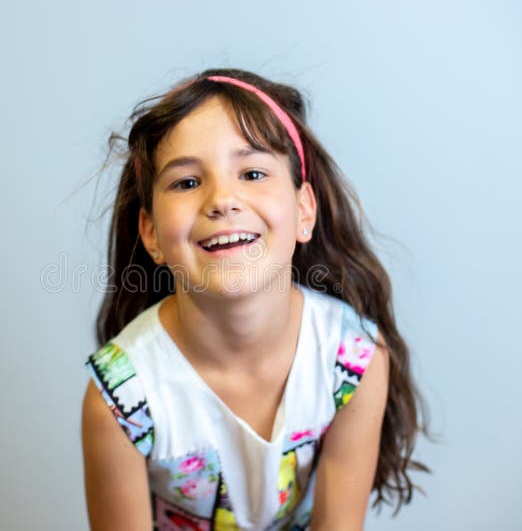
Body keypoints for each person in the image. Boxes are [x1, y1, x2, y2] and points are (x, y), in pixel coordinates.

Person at [81, 69, 429, 530]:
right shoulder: (120, 400)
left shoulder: (353, 360)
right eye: (187, 182)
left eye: (252, 173)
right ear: (151, 234)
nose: (222, 200)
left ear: (304, 210)